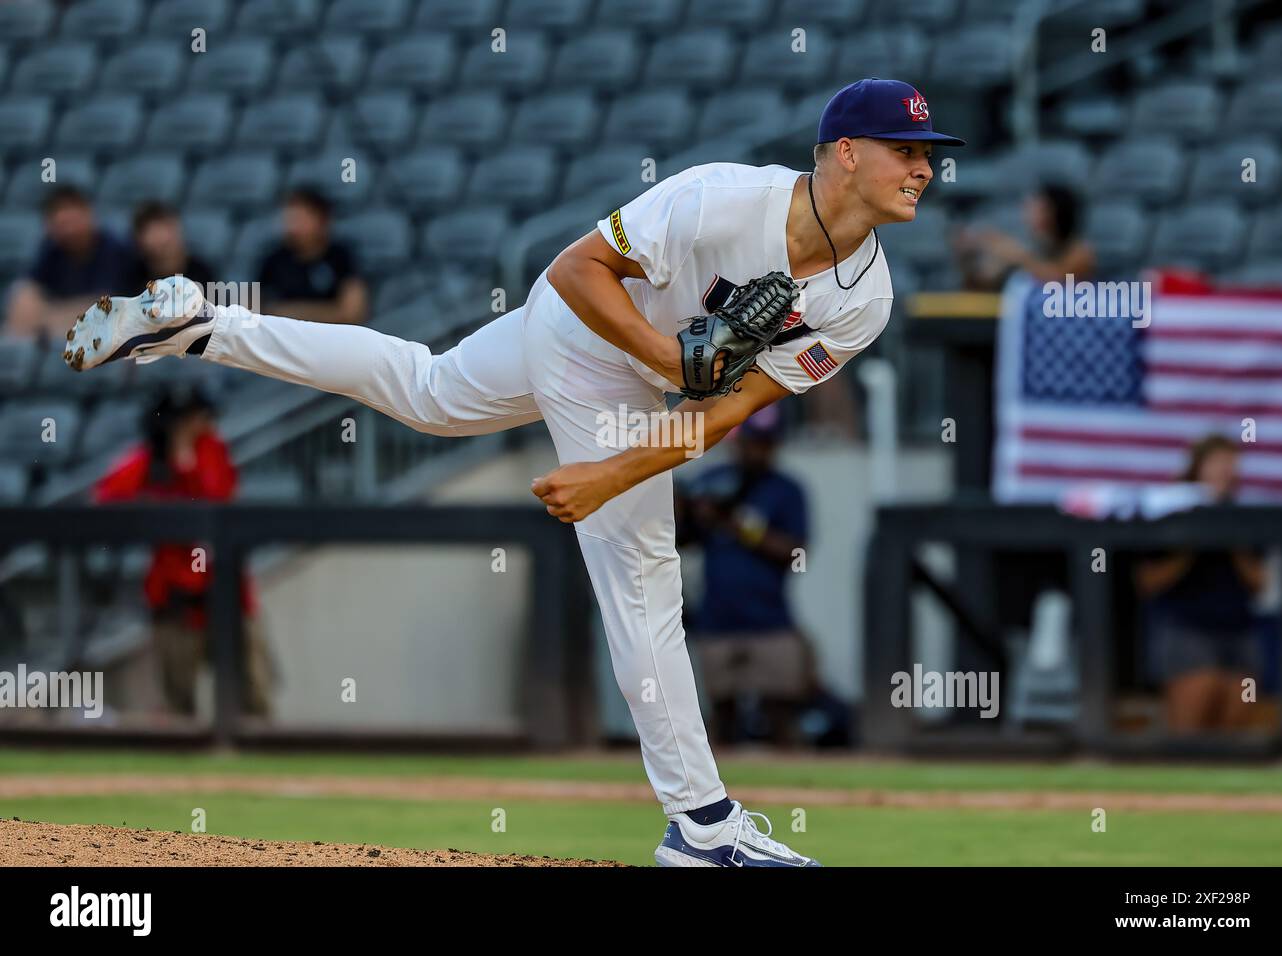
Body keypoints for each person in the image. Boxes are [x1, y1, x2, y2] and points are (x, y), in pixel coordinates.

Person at [64, 78, 964, 867]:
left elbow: (725, 413)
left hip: (638, 376)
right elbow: (579, 270)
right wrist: (665, 360)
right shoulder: (723, 200)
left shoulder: (867, 299)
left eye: (929, 154)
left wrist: (615, 470)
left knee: (425, 390)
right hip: (583, 330)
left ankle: (202, 325)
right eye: (907, 149)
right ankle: (702, 824)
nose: (924, 167)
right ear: (846, 154)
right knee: (644, 575)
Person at [94, 385, 274, 719]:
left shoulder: (212, 450)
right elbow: (106, 498)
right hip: (176, 596)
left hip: (226, 593)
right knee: (179, 705)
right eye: (190, 418)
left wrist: (186, 463)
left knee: (253, 696)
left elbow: (217, 496)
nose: (201, 423)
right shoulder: (150, 461)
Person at [677, 406, 815, 745]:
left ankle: (795, 791)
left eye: (765, 444)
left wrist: (740, 526)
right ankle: (719, 796)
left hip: (770, 620)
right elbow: (682, 540)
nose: (757, 451)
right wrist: (685, 511)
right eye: (752, 442)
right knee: (721, 717)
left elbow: (796, 554)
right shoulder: (710, 481)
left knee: (780, 712)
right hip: (717, 619)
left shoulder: (787, 490)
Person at [1135, 435, 1267, 734]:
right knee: (1192, 718)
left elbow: (1261, 584)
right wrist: (1190, 542)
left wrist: (1234, 540)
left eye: (1231, 465)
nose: (1225, 471)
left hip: (1238, 628)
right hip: (1187, 627)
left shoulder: (1247, 517)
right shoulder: (1172, 512)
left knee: (1238, 710)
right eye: (1217, 463)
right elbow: (1147, 582)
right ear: (1197, 467)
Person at [4, 186, 139, 339]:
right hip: (58, 326)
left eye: (73, 222)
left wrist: (46, 318)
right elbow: (28, 293)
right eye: (62, 225)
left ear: (89, 215)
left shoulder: (113, 249)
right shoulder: (52, 250)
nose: (70, 231)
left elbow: (104, 307)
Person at [255, 188, 368, 325]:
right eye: (289, 218)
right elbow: (249, 310)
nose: (292, 226)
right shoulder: (272, 258)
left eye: (300, 218)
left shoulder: (342, 257)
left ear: (322, 220)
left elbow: (352, 314)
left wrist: (290, 312)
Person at [952, 182, 1096, 289]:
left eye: (1038, 209)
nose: (1028, 214)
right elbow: (981, 283)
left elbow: (1057, 279)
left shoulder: (1080, 251)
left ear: (1054, 213)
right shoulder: (1034, 246)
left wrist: (1017, 255)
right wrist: (967, 259)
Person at [128, 202, 217, 295]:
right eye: (153, 232)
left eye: (166, 228)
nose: (162, 238)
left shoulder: (201, 274)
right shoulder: (131, 279)